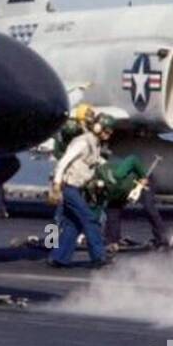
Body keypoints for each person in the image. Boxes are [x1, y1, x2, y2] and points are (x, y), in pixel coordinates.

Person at [48, 113, 109, 268]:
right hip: (68, 187)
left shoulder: (94, 144)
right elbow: (63, 161)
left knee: (73, 223)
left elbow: (93, 162)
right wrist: (56, 184)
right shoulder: (82, 143)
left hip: (75, 187)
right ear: (97, 127)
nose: (109, 134)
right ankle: (99, 256)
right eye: (107, 130)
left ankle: (58, 258)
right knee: (89, 219)